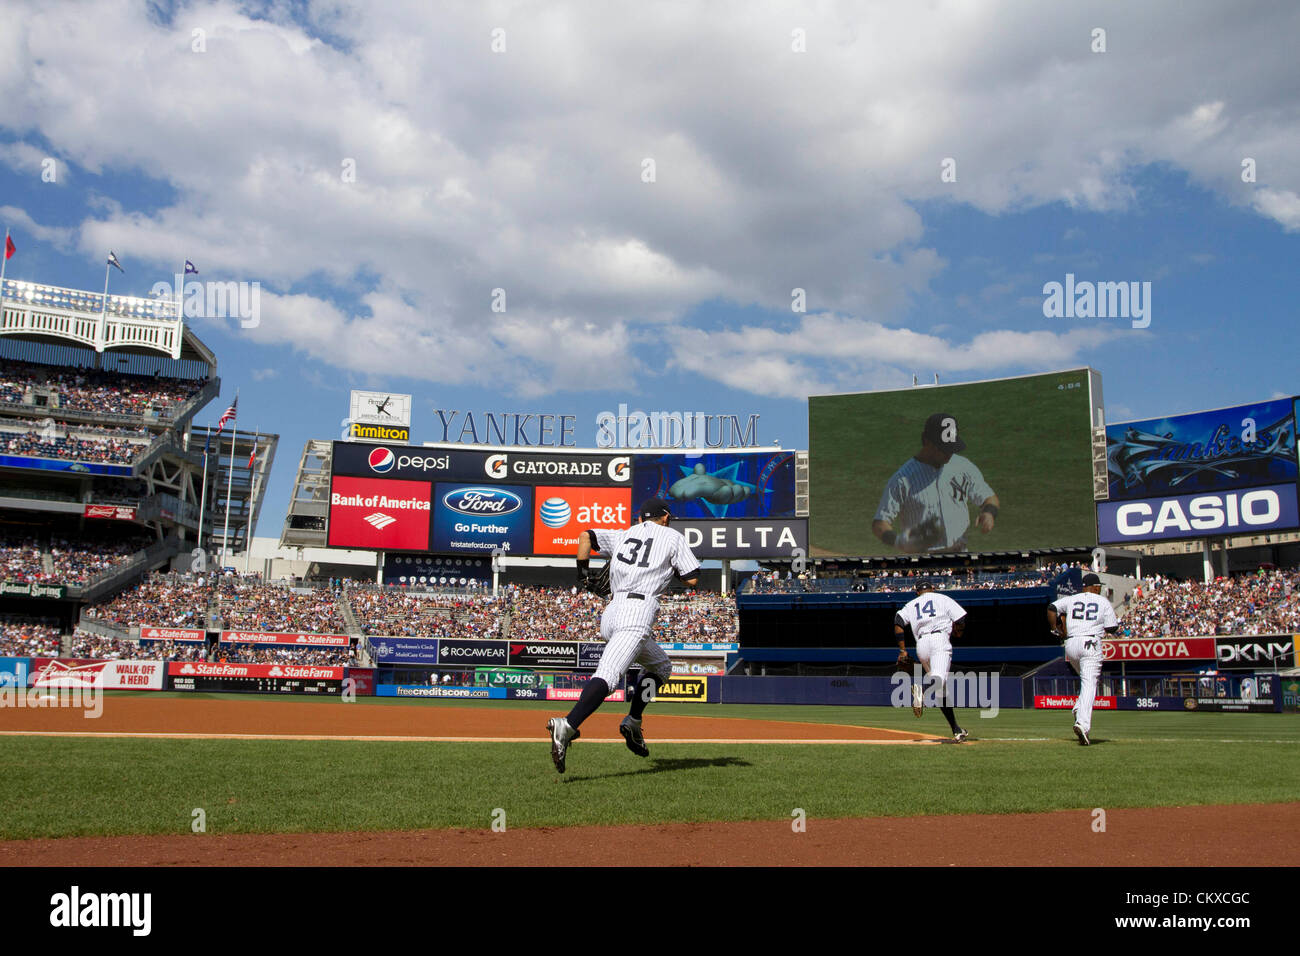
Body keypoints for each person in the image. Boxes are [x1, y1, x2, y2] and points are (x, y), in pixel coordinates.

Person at [546, 497, 701, 773]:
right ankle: (567, 725)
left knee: (662, 667)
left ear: (641, 518)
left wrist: (583, 575)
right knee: (608, 675)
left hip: (612, 611)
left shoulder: (625, 533)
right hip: (637, 611)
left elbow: (585, 536)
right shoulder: (672, 536)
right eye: (669, 517)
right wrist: (669, 569)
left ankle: (634, 721)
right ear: (665, 517)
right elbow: (692, 579)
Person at [871, 412, 999, 554]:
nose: (949, 453)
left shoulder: (963, 467)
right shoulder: (902, 479)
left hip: (961, 555)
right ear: (926, 441)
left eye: (952, 448)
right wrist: (897, 541)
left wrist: (989, 513)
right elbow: (879, 524)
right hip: (923, 560)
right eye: (943, 448)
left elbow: (990, 498)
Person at [1047, 571, 1120, 746]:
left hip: (1071, 644)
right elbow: (1112, 628)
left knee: (1085, 680)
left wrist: (1055, 629)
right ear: (1095, 587)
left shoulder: (1072, 598)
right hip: (1090, 643)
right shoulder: (1102, 601)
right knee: (1089, 683)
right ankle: (1082, 724)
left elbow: (1051, 608)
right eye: (1099, 587)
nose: (1100, 589)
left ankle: (1079, 708)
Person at [894, 583, 969, 741]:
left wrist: (902, 650)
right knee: (939, 680)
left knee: (941, 690)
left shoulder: (911, 604)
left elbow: (898, 621)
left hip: (921, 645)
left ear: (917, 592)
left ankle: (956, 729)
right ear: (933, 589)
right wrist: (958, 631)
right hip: (939, 639)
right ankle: (921, 691)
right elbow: (961, 618)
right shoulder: (942, 598)